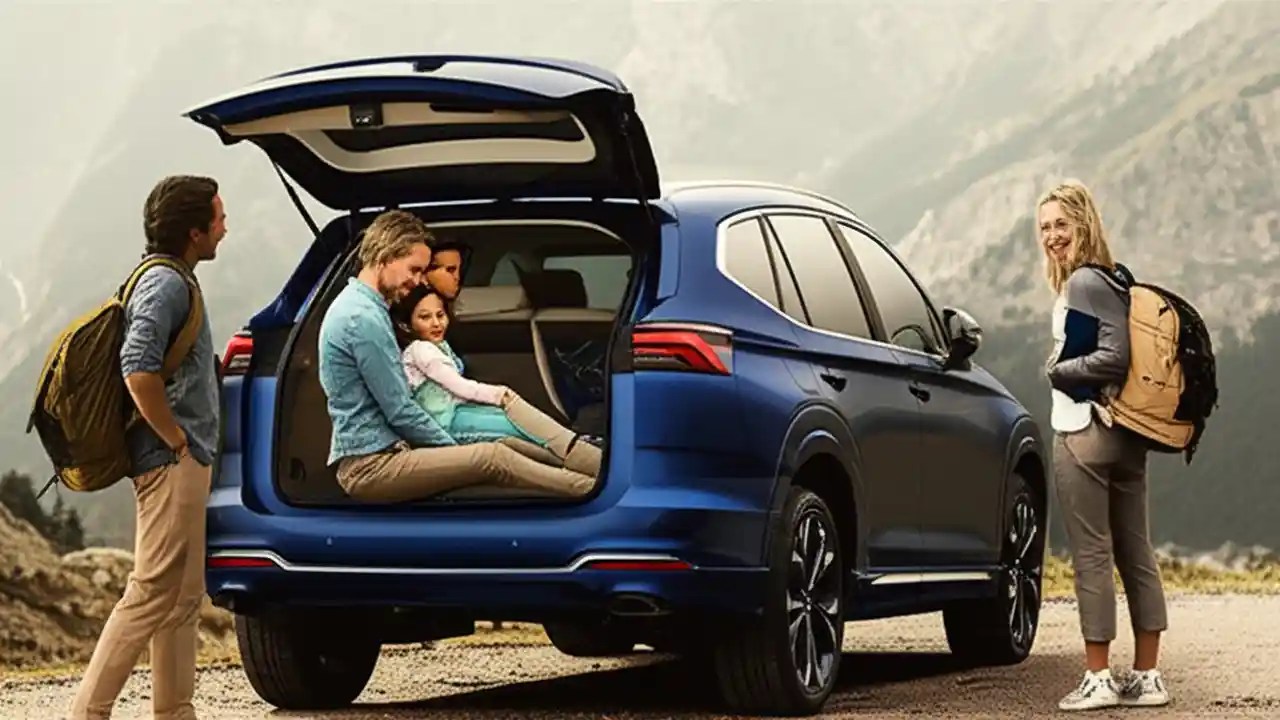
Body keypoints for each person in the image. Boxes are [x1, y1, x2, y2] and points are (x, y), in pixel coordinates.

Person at [70, 175, 227, 720]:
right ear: (193, 231)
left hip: (182, 458)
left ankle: (174, 711)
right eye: (218, 218)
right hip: (169, 461)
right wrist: (178, 439)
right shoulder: (166, 284)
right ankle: (86, 713)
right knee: (150, 593)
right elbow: (137, 368)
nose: (224, 228)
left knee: (182, 599)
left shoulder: (174, 278)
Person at [318, 210, 596, 502]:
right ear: (386, 255)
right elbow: (399, 409)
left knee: (512, 444)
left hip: (394, 450)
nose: (417, 281)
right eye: (413, 269)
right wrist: (455, 450)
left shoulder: (368, 309)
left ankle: (597, 471)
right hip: (371, 466)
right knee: (493, 457)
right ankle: (595, 491)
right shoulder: (361, 318)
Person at [1039, 181, 1169, 712]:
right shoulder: (1116, 280)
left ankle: (1097, 678)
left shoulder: (1084, 284)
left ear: (1083, 225)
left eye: (1061, 225)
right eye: (1044, 227)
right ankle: (1148, 675)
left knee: (1092, 555)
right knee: (1136, 551)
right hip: (1128, 435)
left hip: (1082, 433)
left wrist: (1056, 370)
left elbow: (1111, 360)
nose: (1052, 237)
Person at [392, 284, 602, 476]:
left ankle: (580, 460)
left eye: (440, 315)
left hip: (459, 413)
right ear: (407, 325)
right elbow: (459, 386)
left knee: (526, 433)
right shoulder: (422, 350)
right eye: (425, 317)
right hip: (446, 423)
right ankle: (587, 459)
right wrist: (499, 394)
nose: (436, 323)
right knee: (520, 427)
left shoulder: (438, 346)